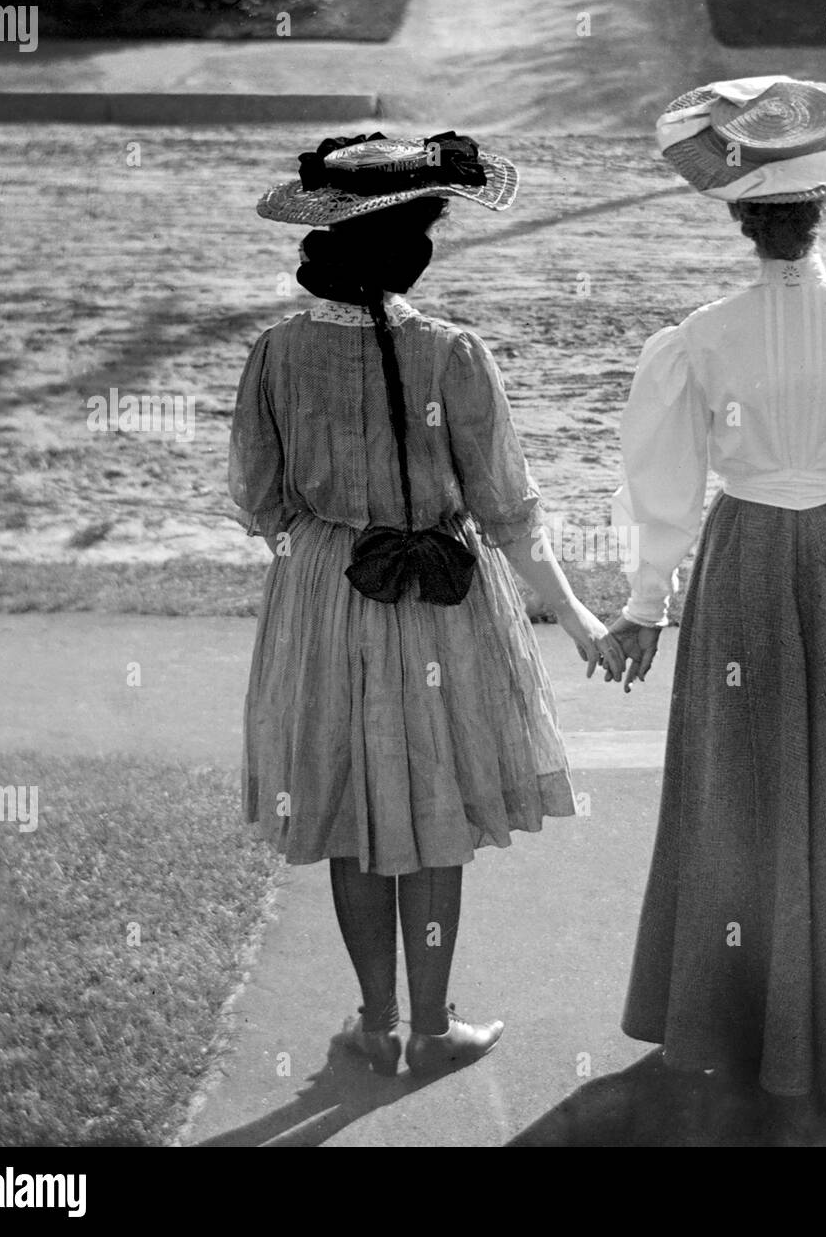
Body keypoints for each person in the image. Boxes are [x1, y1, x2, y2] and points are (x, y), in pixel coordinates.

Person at [606, 79, 826, 1137]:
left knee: (735, 786)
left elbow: (659, 485)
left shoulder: (700, 336)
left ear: (738, 211)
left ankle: (719, 1027)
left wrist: (642, 600)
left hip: (745, 557)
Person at [230, 132, 624, 1079]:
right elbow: (508, 514)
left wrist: (327, 550)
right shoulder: (452, 353)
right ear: (417, 246)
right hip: (442, 601)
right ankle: (436, 1025)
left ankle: (376, 1020)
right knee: (434, 805)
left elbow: (262, 500)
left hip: (327, 594)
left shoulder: (277, 352)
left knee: (350, 807)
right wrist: (578, 620)